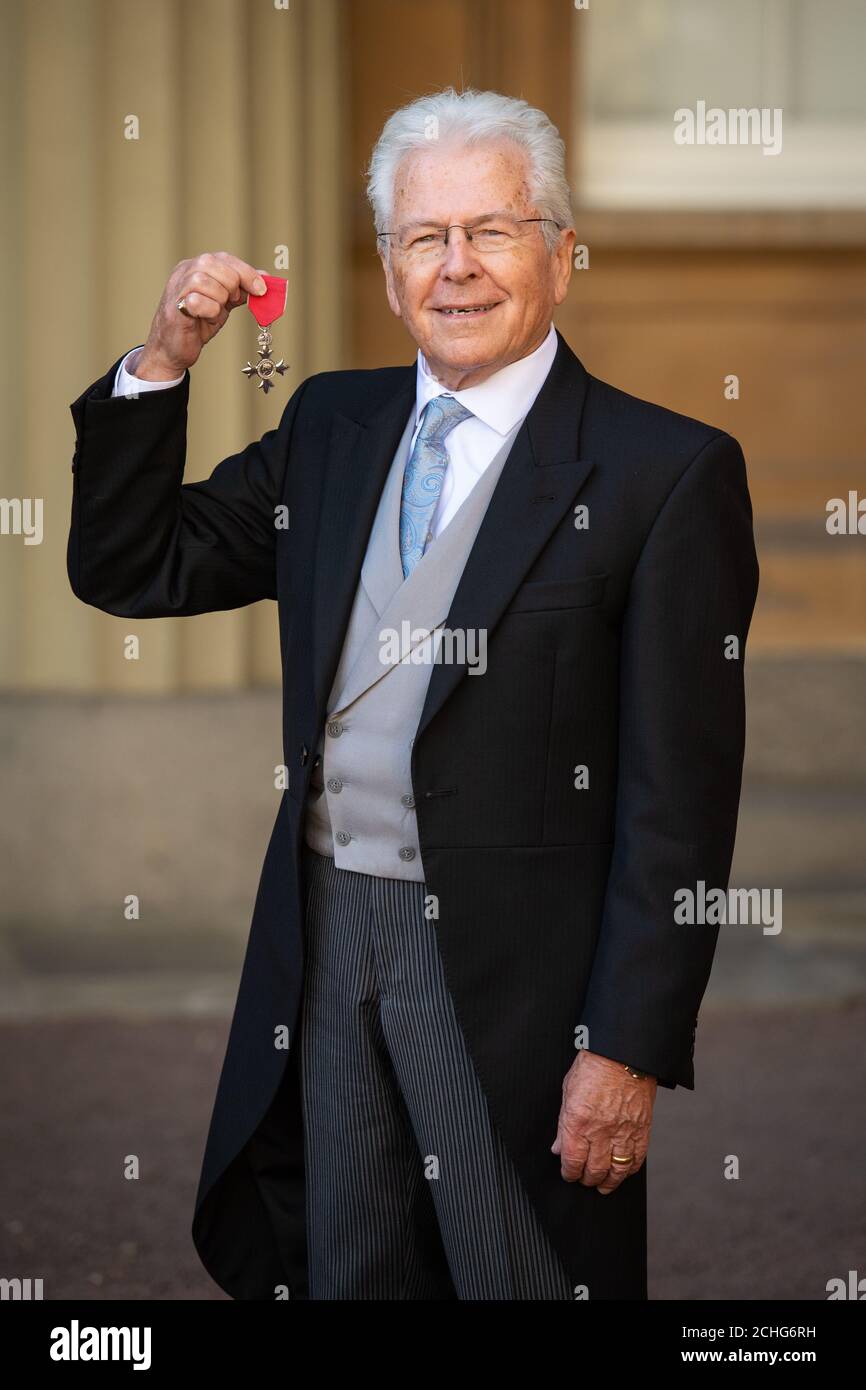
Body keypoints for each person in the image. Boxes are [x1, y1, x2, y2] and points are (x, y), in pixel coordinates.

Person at [67, 87, 759, 1300]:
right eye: (422, 237)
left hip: (519, 978)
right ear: (389, 273)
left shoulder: (665, 473)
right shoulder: (331, 424)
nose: (456, 267)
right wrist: (162, 363)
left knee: (516, 1273)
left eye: (490, 230)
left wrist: (626, 1047)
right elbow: (135, 565)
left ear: (559, 252)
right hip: (328, 932)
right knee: (350, 1264)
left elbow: (678, 806)